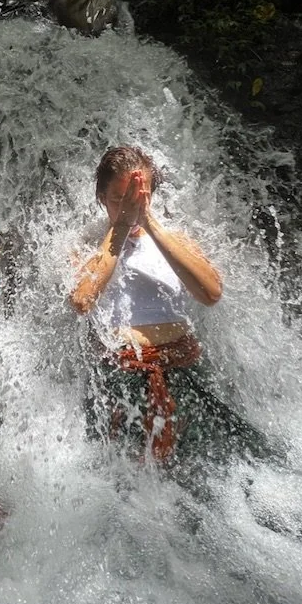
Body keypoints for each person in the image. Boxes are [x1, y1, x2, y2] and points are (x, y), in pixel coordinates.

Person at [69, 145, 222, 461]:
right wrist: (121, 227)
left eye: (140, 198)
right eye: (118, 200)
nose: (131, 207)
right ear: (101, 197)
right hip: (120, 377)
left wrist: (148, 221)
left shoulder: (175, 239)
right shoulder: (86, 244)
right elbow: (82, 300)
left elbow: (211, 293)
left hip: (182, 371)